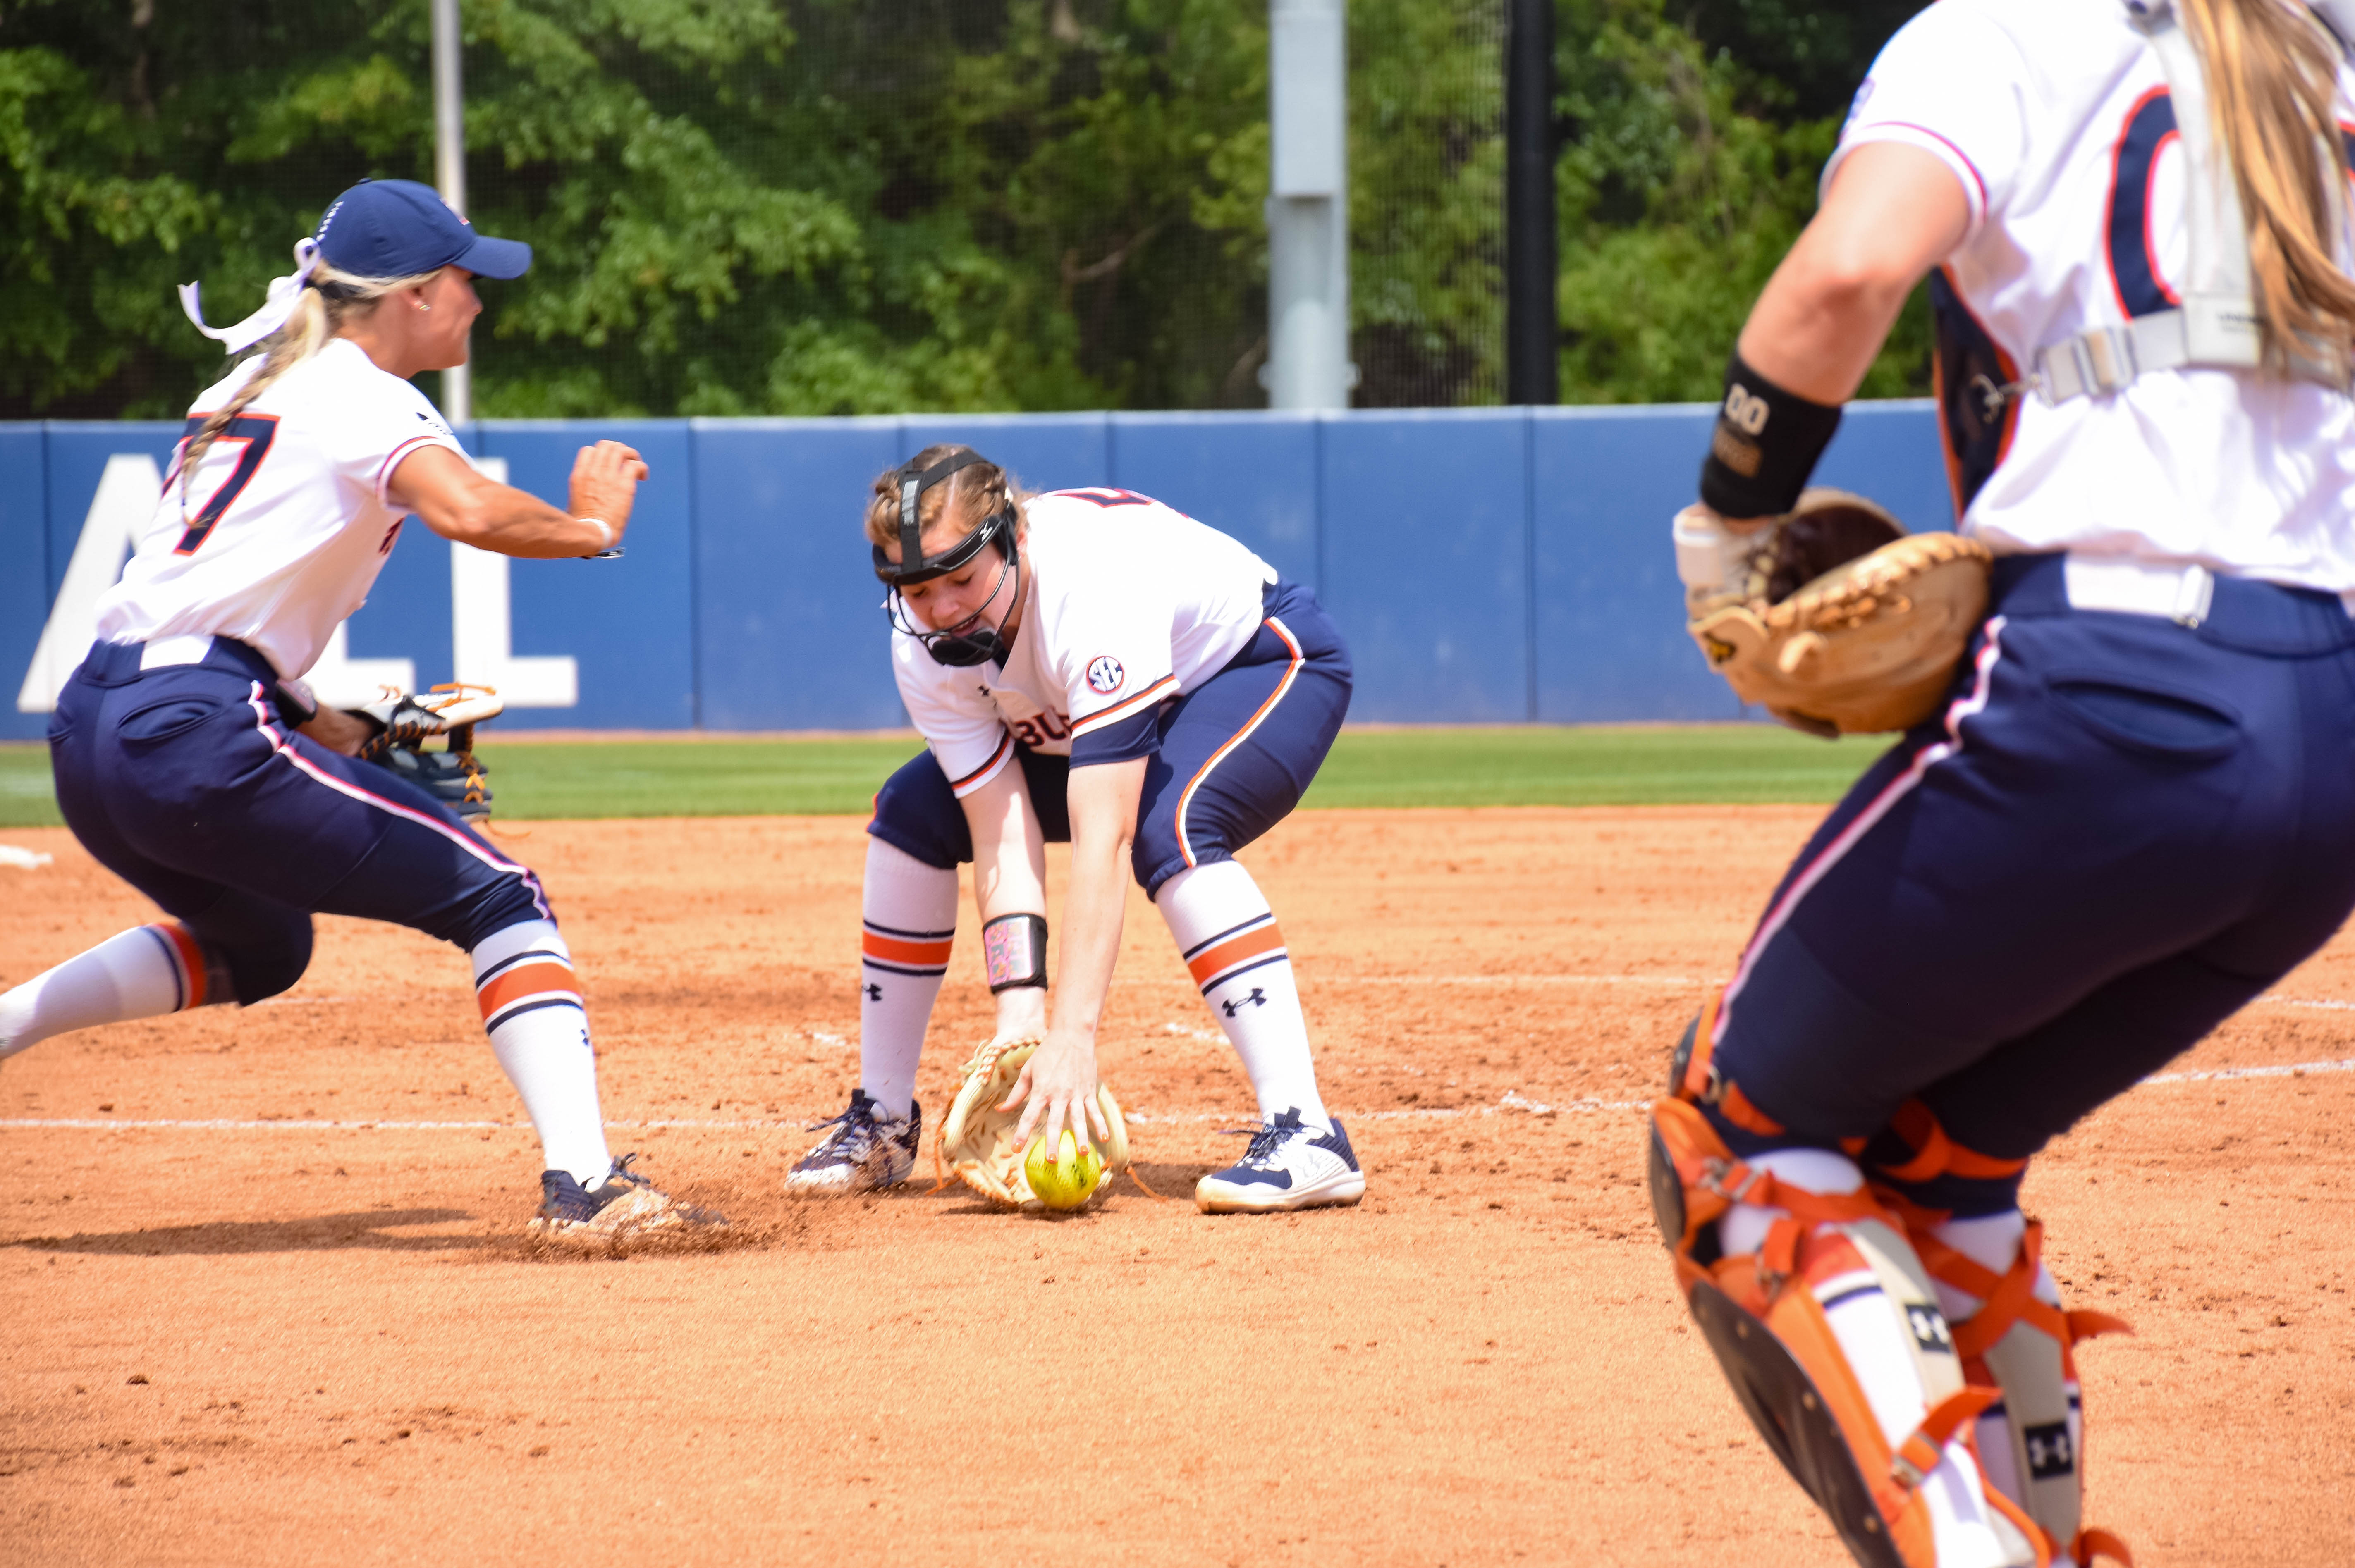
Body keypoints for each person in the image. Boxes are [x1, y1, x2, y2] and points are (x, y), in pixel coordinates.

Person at [1645, 0, 2355, 1568]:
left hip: (2117, 692)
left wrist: (1727, 531)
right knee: (1934, 1143)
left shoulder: (2009, 29)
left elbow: (1838, 285)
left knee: (1731, 1132)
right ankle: (2036, 1540)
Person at [0, 179, 717, 1241]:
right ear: (416, 295)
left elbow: (204, 592)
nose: (479, 298)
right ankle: (586, 1183)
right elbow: (468, 508)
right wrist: (594, 523)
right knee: (500, 895)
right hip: (193, 726)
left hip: (99, 729)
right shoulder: (363, 390)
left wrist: (323, 720)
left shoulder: (255, 380)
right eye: (467, 279)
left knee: (261, 938)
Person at [784, 446, 1365, 1212]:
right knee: (911, 814)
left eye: (962, 578)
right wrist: (1021, 1019)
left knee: (1171, 827)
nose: (943, 609)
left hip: (1258, 665)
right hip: (1083, 715)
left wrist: (1072, 1039)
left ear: (1013, 538)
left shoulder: (1090, 590)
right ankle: (884, 1124)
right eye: (918, 590)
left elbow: (1105, 836)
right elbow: (1000, 828)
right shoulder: (921, 645)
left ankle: (1307, 1132)